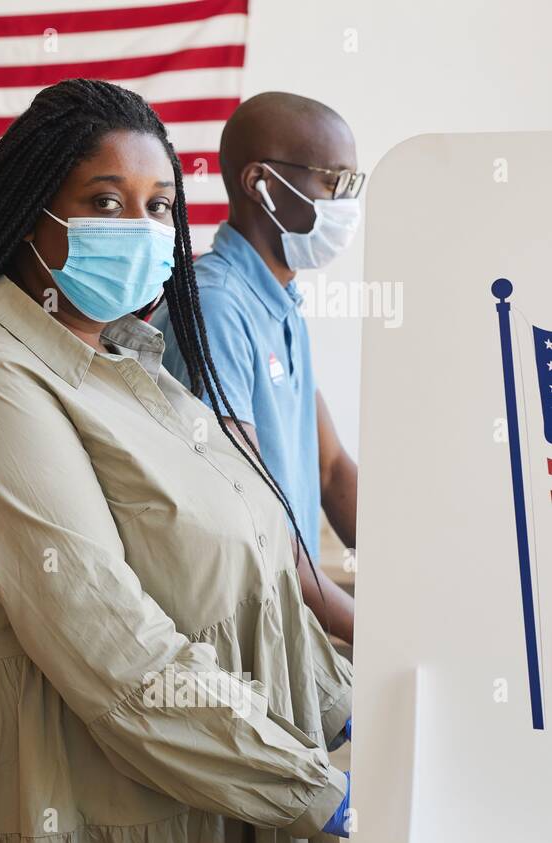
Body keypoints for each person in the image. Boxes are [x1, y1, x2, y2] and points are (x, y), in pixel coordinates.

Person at [0, 79, 354, 843]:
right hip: (67, 809)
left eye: (158, 206)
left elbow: (245, 572)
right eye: (103, 203)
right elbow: (118, 651)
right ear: (31, 212)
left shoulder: (124, 355)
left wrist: (335, 701)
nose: (140, 229)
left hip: (194, 784)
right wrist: (318, 791)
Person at [150, 92, 362, 648]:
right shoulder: (217, 307)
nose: (346, 204)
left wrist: (409, 586)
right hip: (236, 639)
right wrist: (365, 627)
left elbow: (331, 468)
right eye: (333, 181)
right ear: (259, 182)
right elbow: (248, 517)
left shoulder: (279, 300)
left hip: (287, 621)